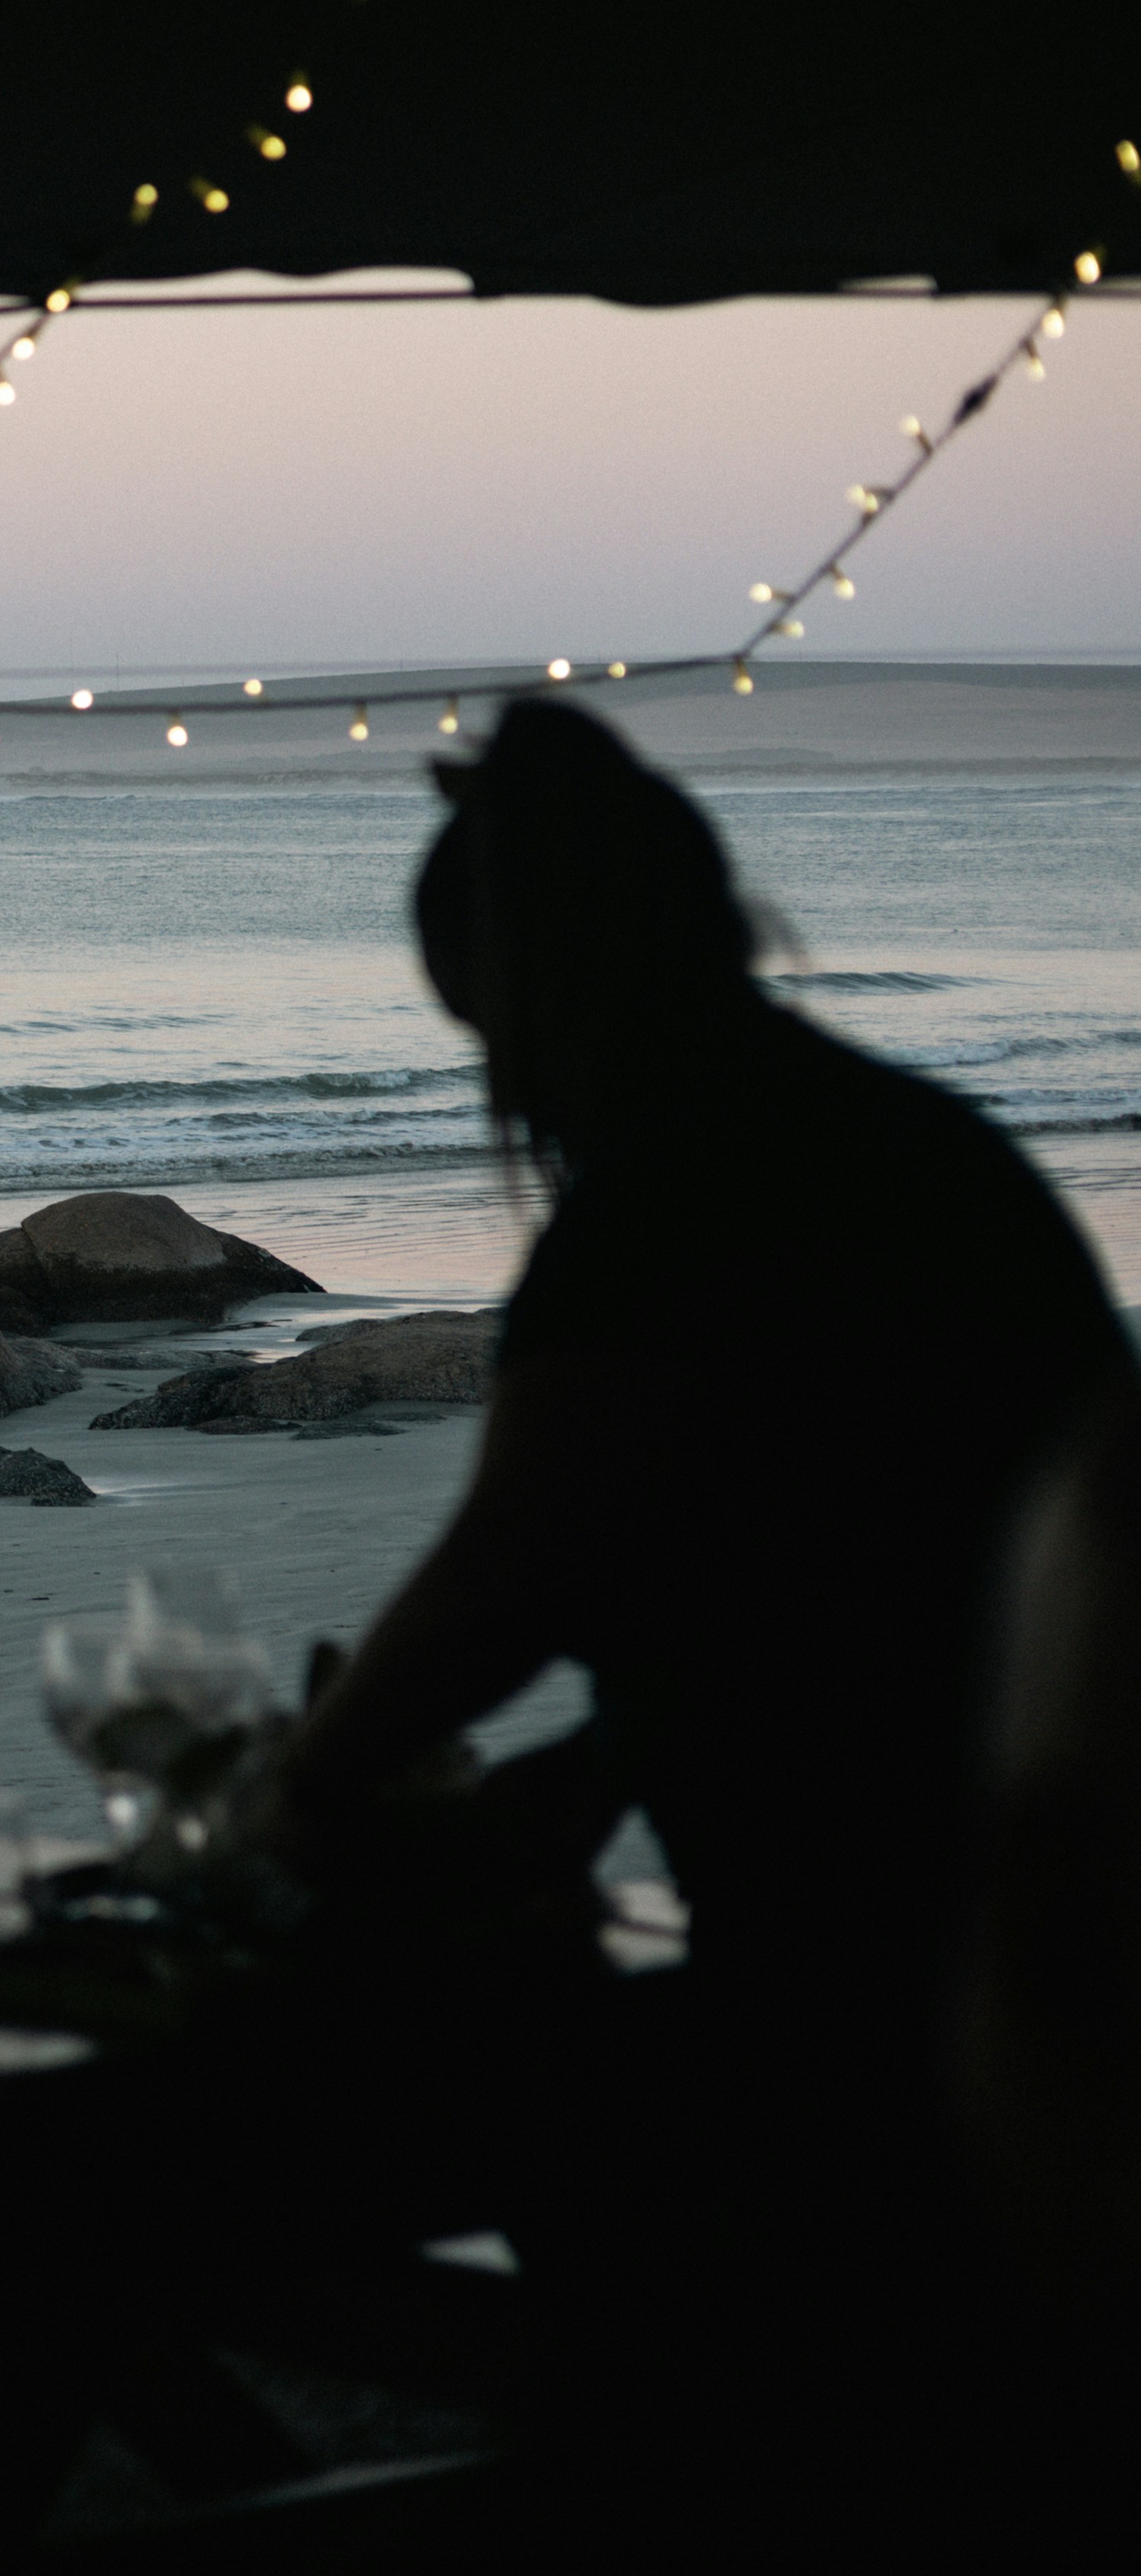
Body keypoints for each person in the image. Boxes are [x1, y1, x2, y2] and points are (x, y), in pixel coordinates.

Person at [267, 702, 1130, 2510]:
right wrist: (609, 1759)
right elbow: (844, 1560)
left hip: (906, 1952)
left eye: (486, 1031)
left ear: (546, 984)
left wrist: (306, 1782)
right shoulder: (904, 1146)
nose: (503, 1084)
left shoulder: (666, 1207)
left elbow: (513, 1576)